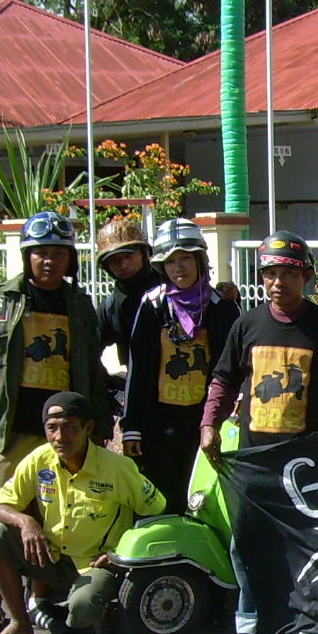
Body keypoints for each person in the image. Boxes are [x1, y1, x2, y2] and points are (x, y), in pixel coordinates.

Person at [201, 230, 318, 634]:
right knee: (248, 545)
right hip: (255, 461)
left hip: (308, 462)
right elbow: (223, 380)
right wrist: (210, 425)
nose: (279, 282)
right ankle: (249, 630)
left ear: (307, 277)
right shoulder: (247, 325)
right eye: (271, 274)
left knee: (308, 547)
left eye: (289, 274)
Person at [0, 210, 108, 634]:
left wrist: (96, 425)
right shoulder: (1, 302)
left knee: (55, 519)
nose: (49, 261)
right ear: (26, 255)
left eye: (58, 253)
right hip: (13, 431)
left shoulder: (79, 305)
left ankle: (39, 603)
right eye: (40, 253)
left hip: (67, 437)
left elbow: (92, 370)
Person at [0, 391, 165, 634]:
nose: (59, 437)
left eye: (69, 428)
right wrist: (25, 521)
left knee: (82, 612)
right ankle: (20, 624)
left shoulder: (117, 468)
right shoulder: (39, 459)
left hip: (96, 565)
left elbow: (157, 512)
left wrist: (122, 554)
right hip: (52, 558)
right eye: (52, 428)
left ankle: (106, 609)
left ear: (87, 428)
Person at [122, 219, 240, 514]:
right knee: (162, 499)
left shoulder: (222, 306)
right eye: (171, 261)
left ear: (200, 258)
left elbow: (233, 368)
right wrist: (132, 426)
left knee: (204, 498)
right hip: (161, 424)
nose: (179, 268)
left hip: (206, 421)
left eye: (186, 257)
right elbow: (140, 369)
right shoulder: (153, 306)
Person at [94, 215, 165, 367]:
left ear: (143, 254)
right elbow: (89, 353)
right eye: (115, 260)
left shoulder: (170, 291)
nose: (123, 265)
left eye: (128, 256)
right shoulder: (110, 307)